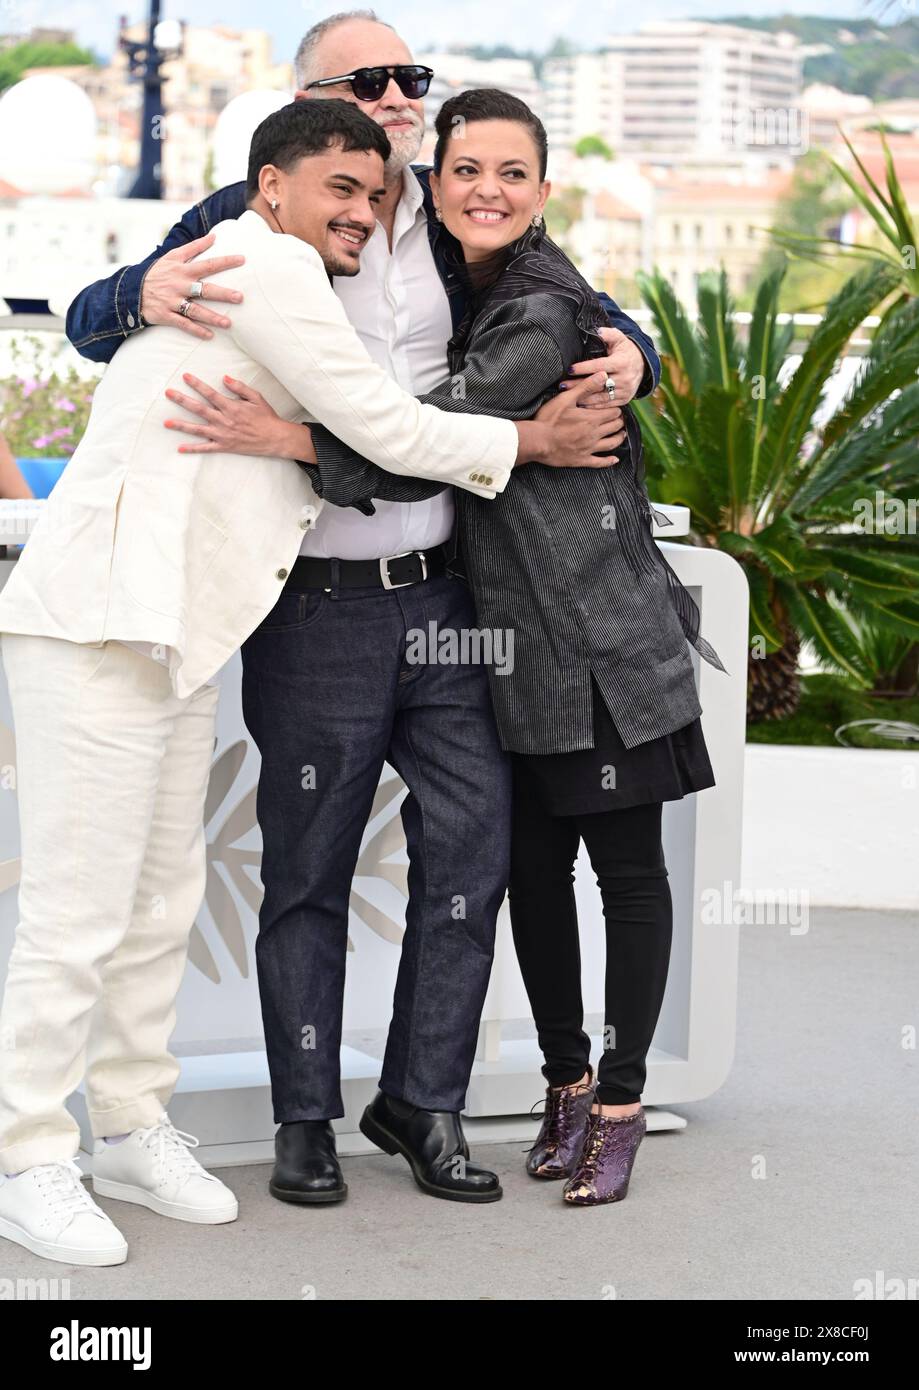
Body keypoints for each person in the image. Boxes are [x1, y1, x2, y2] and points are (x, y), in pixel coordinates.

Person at [0, 99, 622, 1270]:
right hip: (98, 621)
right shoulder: (260, 259)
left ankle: (130, 1127)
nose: (364, 209)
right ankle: (27, 1152)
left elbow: (550, 278)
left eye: (376, 190)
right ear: (269, 186)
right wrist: (524, 447)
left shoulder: (340, 248)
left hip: (184, 627)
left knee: (159, 901)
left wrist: (621, 347)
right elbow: (383, 419)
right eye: (341, 186)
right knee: (78, 912)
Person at [171, 89, 727, 1209]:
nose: (389, 111)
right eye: (361, 89)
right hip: (316, 608)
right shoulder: (251, 220)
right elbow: (99, 313)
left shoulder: (458, 231)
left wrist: (639, 359)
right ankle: (304, 1117)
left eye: (403, 93)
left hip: (450, 604)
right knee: (306, 872)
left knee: (474, 860)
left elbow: (592, 317)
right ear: (304, 117)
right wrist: (132, 297)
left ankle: (424, 1102)